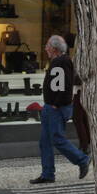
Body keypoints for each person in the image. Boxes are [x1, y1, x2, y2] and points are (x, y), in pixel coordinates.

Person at [30, 36, 90, 184]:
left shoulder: (60, 62)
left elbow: (63, 84)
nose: (45, 49)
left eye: (47, 46)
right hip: (52, 107)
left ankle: (82, 160)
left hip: (55, 108)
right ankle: (48, 173)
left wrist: (56, 103)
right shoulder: (61, 61)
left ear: (54, 49)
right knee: (45, 142)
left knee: (57, 139)